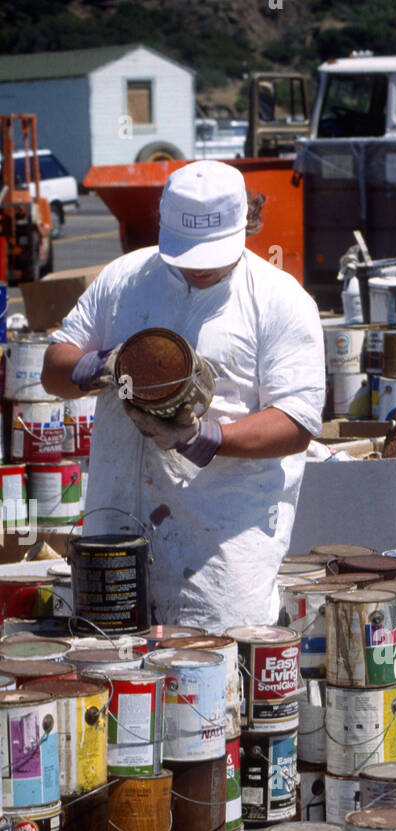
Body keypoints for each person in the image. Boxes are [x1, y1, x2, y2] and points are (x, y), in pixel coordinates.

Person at [42, 160, 325, 630]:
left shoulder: (280, 300)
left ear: (245, 227)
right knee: (110, 673)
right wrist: (94, 367)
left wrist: (207, 438)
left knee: (212, 681)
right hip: (115, 536)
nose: (199, 268)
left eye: (211, 255)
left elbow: (295, 423)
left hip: (218, 550)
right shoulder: (124, 280)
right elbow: (53, 369)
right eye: (186, 254)